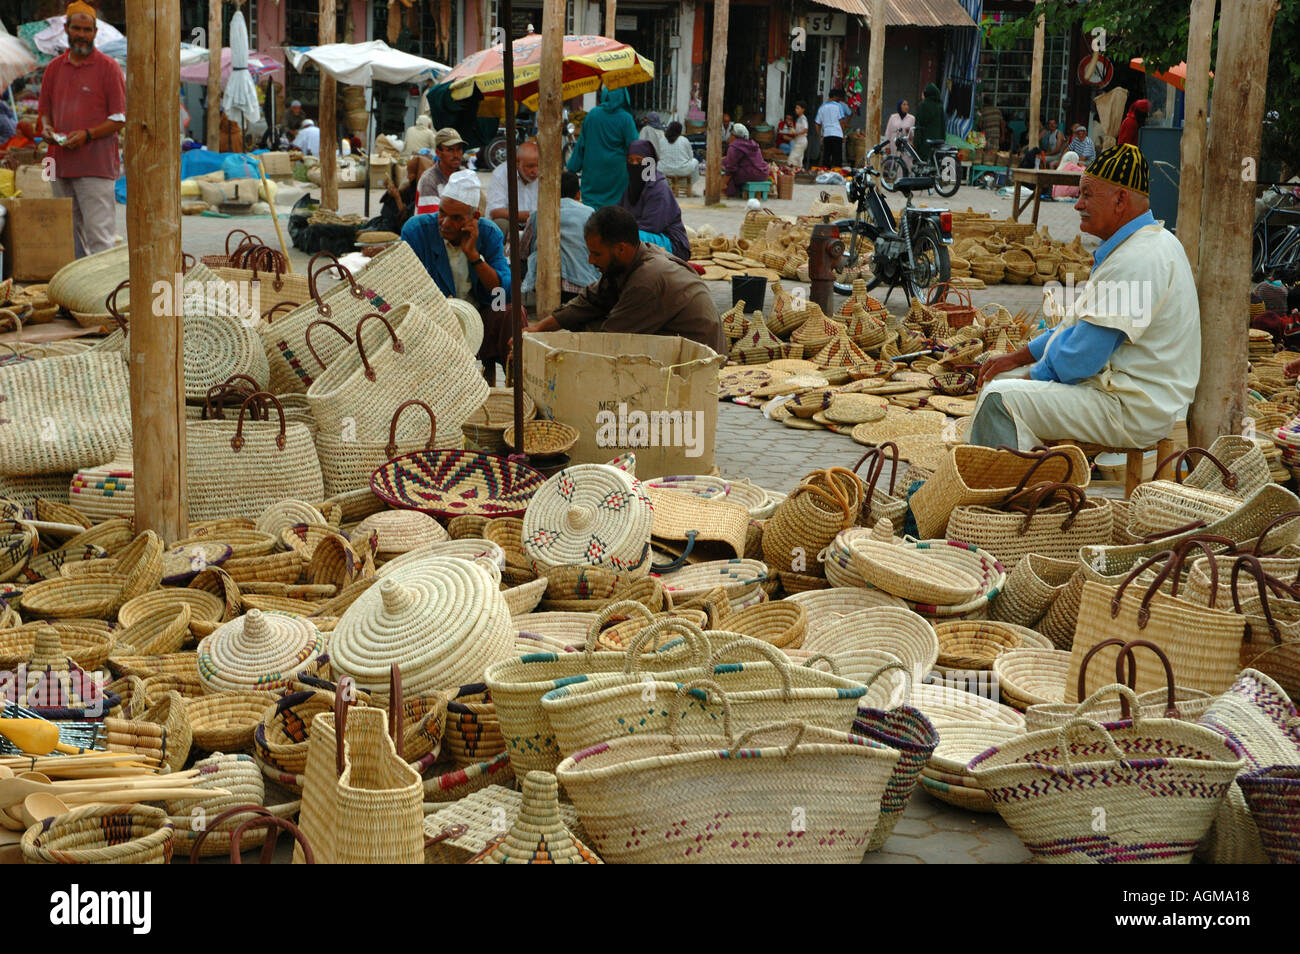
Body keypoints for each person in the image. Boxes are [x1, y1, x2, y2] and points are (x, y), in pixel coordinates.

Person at [969, 144, 1199, 452]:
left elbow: (1081, 357)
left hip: (1133, 409)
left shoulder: (1138, 259)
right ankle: (1026, 470)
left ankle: (1007, 489)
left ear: (1120, 200)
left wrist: (1031, 376)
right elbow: (1072, 327)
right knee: (1001, 378)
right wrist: (1016, 358)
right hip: (1134, 397)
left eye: (1087, 195)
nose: (1078, 205)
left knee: (999, 398)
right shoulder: (1150, 243)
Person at [520, 206, 723, 352]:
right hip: (672, 338)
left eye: (597, 254)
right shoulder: (626, 262)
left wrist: (545, 348)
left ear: (621, 248)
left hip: (699, 356)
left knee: (592, 337)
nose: (590, 260)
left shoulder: (647, 279)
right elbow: (589, 301)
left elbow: (610, 340)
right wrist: (538, 329)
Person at [401, 169, 512, 379]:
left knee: (510, 312)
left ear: (475, 217)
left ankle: (515, 386)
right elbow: (402, 285)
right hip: (433, 323)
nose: (444, 223)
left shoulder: (489, 234)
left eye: (456, 218)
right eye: (442, 213)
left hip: (478, 320)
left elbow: (502, 291)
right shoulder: (416, 231)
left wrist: (474, 256)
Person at [37, 2, 126, 259]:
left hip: (95, 166)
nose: (82, 35)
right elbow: (44, 112)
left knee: (100, 238)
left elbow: (119, 118)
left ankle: (101, 296)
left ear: (95, 32)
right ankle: (73, 298)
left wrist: (87, 134)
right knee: (66, 237)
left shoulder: (109, 67)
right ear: (66, 28)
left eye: (87, 30)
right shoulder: (53, 68)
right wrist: (47, 129)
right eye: (77, 29)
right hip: (57, 164)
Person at [521, 171, 602, 307]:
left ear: (550, 191)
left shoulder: (537, 214)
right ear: (578, 194)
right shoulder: (590, 213)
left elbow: (523, 251)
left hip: (545, 286)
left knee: (523, 261)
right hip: (583, 286)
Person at [566, 87, 638, 209]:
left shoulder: (592, 115)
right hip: (617, 180)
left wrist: (572, 167)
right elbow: (635, 148)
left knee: (593, 217)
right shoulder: (626, 119)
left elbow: (581, 146)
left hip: (593, 178)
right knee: (616, 216)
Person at [621, 140, 690, 260]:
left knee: (623, 238)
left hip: (671, 243)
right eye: (630, 161)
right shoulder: (631, 187)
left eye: (639, 161)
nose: (634, 165)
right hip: (642, 236)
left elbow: (652, 226)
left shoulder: (658, 188)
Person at [486, 140, 540, 236]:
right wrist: (532, 215)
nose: (535, 171)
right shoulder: (500, 174)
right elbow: (495, 211)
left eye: (538, 165)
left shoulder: (545, 175)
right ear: (517, 163)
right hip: (511, 224)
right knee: (500, 223)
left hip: (535, 224)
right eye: (530, 166)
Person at [370, 153, 432, 234]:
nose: (409, 177)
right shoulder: (410, 186)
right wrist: (391, 190)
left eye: (411, 173)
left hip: (406, 229)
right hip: (389, 221)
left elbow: (407, 218)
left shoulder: (425, 193)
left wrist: (397, 198)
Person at [415, 127, 467, 213]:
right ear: (438, 153)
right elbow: (432, 221)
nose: (456, 155)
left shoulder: (465, 174)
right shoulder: (429, 180)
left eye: (459, 149)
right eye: (450, 150)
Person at [721, 124, 770, 199]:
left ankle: (724, 192)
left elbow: (731, 168)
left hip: (751, 174)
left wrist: (722, 184)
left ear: (733, 136)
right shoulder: (752, 143)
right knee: (725, 163)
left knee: (728, 172)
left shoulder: (734, 146)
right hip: (763, 173)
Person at [815, 89, 847, 168]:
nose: (839, 100)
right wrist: (843, 134)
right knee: (837, 159)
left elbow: (817, 123)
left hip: (827, 135)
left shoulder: (822, 107)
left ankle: (825, 175)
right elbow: (842, 121)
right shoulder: (838, 106)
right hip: (837, 134)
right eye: (839, 98)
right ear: (835, 97)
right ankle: (837, 175)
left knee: (826, 157)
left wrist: (820, 136)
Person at [914, 83, 945, 162]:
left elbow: (919, 124)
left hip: (924, 141)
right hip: (937, 141)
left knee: (922, 162)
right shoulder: (940, 106)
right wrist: (943, 139)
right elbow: (943, 125)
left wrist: (916, 141)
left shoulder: (923, 105)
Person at [884, 100, 916, 172]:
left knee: (906, 163)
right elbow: (888, 132)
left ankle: (904, 179)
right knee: (895, 163)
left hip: (906, 144)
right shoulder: (893, 117)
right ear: (899, 106)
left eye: (907, 105)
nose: (906, 107)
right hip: (894, 143)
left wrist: (909, 132)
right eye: (904, 104)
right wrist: (887, 146)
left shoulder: (911, 118)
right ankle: (897, 179)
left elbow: (913, 135)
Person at [785, 103, 809, 169]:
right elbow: (798, 130)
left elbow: (805, 130)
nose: (796, 110)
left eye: (798, 108)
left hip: (801, 141)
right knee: (799, 160)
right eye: (796, 108)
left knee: (791, 159)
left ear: (803, 109)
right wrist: (792, 127)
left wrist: (796, 133)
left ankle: (792, 172)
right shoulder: (799, 118)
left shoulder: (803, 119)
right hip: (799, 141)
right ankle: (798, 173)